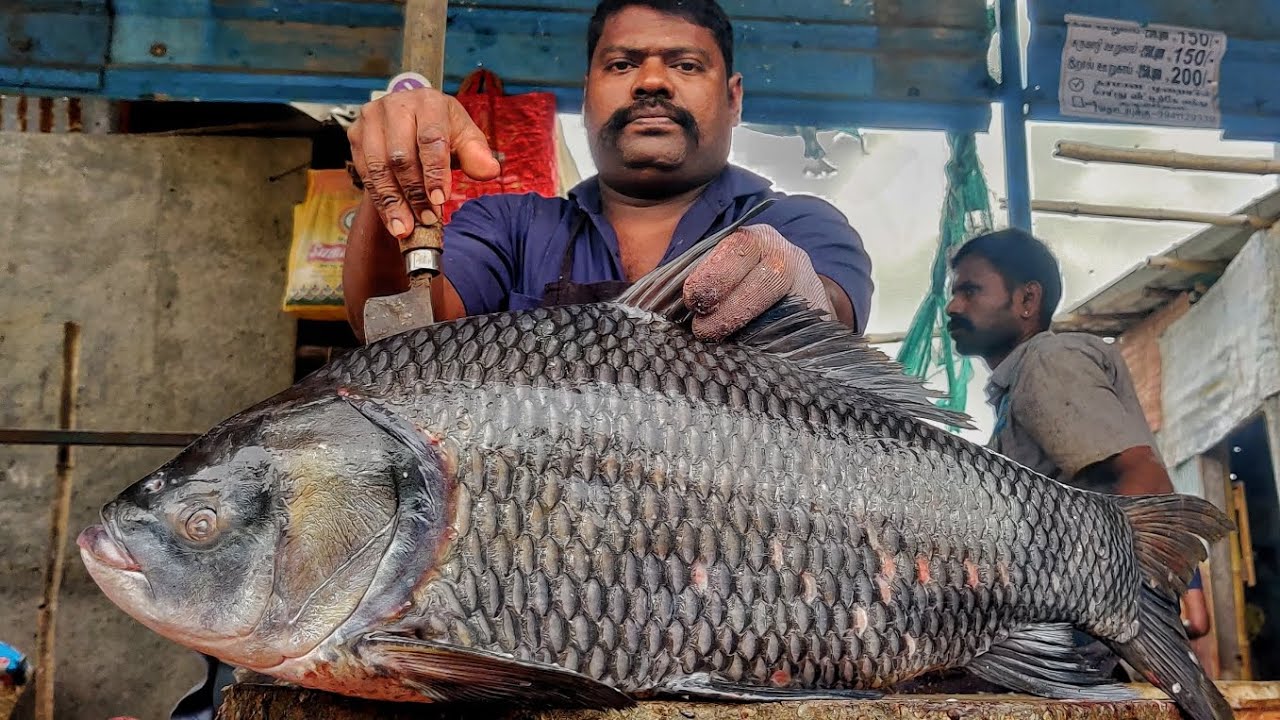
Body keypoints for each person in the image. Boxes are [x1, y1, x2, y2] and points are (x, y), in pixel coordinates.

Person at [341, 0, 874, 344]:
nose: (651, 82)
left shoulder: (803, 225)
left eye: (686, 65)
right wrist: (392, 181)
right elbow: (397, 328)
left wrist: (796, 289)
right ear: (587, 94)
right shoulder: (509, 228)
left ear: (733, 99)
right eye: (621, 65)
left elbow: (830, 321)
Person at [943, 228, 1211, 666]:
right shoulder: (1022, 384)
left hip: (1085, 650)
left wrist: (1113, 616)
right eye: (955, 294)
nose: (953, 307)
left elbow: (1143, 477)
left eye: (970, 290)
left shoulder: (1047, 362)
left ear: (1027, 300)